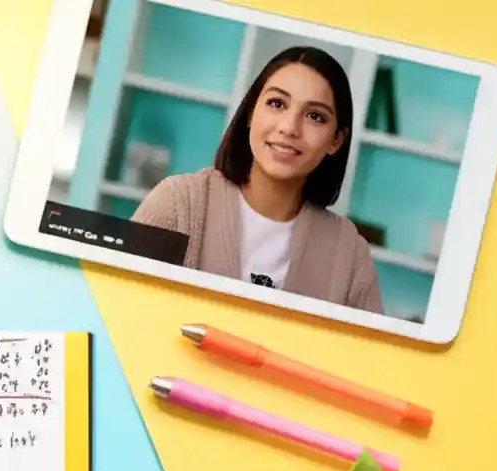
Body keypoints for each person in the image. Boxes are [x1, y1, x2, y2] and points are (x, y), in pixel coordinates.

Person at [131, 46, 383, 313]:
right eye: (277, 104)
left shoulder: (350, 252)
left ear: (336, 140)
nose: (289, 128)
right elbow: (114, 306)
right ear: (251, 112)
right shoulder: (178, 203)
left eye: (315, 116)